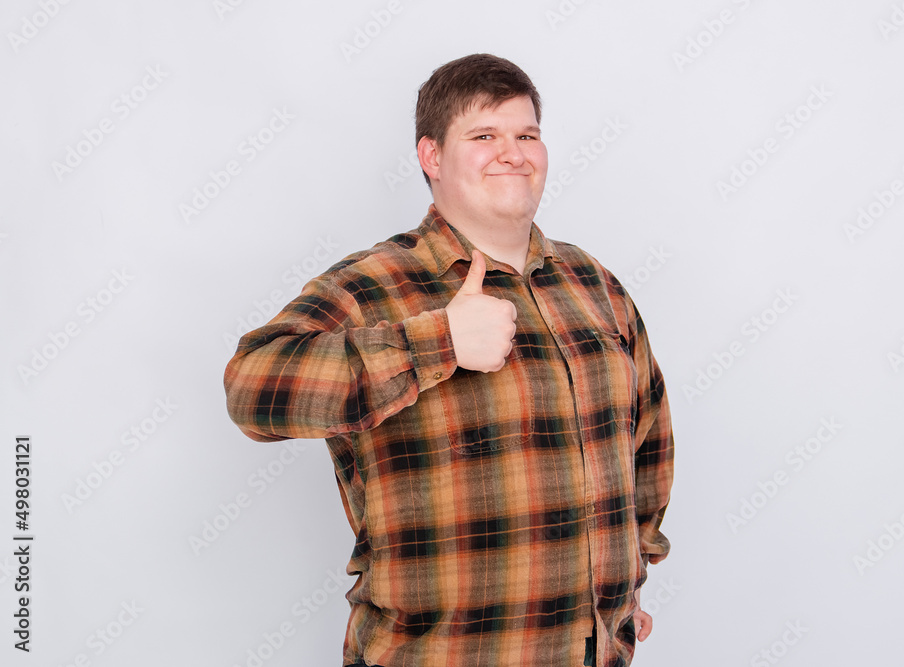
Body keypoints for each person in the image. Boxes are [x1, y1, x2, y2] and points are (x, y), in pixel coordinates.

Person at [224, 53, 674, 667]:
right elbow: (252, 391)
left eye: (527, 135)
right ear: (431, 156)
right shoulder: (374, 284)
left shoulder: (593, 283)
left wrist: (626, 580)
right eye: (484, 135)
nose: (512, 153)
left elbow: (646, 433)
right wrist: (437, 343)